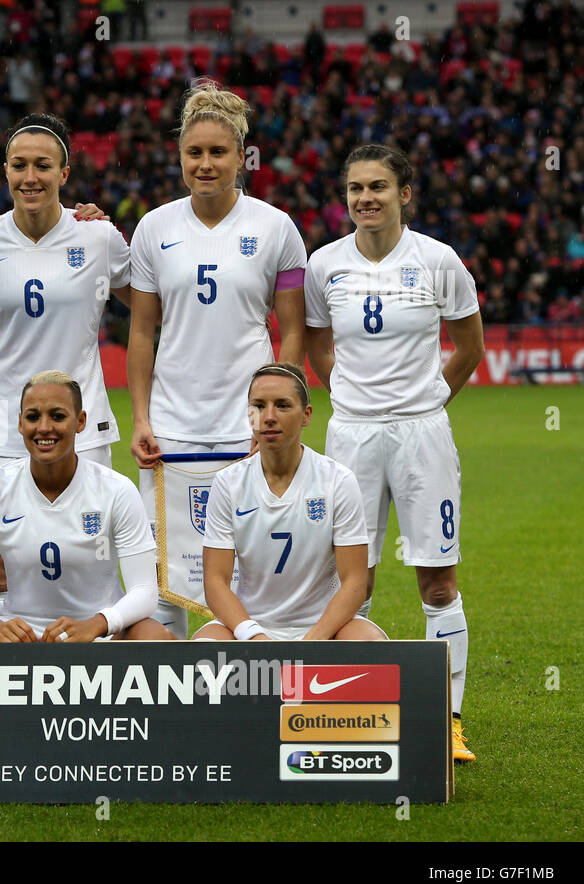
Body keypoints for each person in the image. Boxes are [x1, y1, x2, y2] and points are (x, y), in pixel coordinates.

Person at [304, 144, 484, 760]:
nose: (366, 199)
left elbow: (468, 345)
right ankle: (356, 715)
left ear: (405, 193)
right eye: (356, 188)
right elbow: (318, 346)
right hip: (351, 437)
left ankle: (450, 717)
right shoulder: (324, 265)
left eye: (378, 187)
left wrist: (429, 400)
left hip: (421, 434)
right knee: (351, 579)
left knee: (437, 580)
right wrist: (351, 399)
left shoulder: (438, 260)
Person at [127, 78, 307, 638]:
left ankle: (243, 701)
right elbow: (140, 332)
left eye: (218, 152)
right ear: (179, 155)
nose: (205, 164)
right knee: (163, 581)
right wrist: (140, 416)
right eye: (194, 152)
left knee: (247, 573)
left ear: (241, 157)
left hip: (247, 426)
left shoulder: (276, 227)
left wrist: (275, 412)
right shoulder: (154, 228)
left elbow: (293, 331)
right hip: (172, 427)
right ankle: (174, 710)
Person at [0, 112, 131, 616]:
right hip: (1, 427)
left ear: (64, 173)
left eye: (42, 165)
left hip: (85, 425)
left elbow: (146, 303)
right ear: (5, 170)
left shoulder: (99, 238)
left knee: (91, 562)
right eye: (19, 165)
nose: (29, 177)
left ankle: (91, 665)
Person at [0, 371, 169, 642]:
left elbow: (145, 591)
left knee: (154, 636)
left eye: (58, 416)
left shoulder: (116, 490)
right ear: (19, 423)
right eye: (32, 417)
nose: (43, 427)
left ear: (81, 421)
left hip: (98, 632)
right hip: (19, 633)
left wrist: (97, 624)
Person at [195, 364, 385, 642]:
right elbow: (215, 582)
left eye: (283, 406)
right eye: (258, 406)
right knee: (203, 651)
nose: (269, 417)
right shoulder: (227, 483)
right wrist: (254, 635)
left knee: (370, 646)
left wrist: (312, 640)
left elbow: (356, 582)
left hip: (324, 627)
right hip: (251, 625)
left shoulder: (338, 481)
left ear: (306, 415)